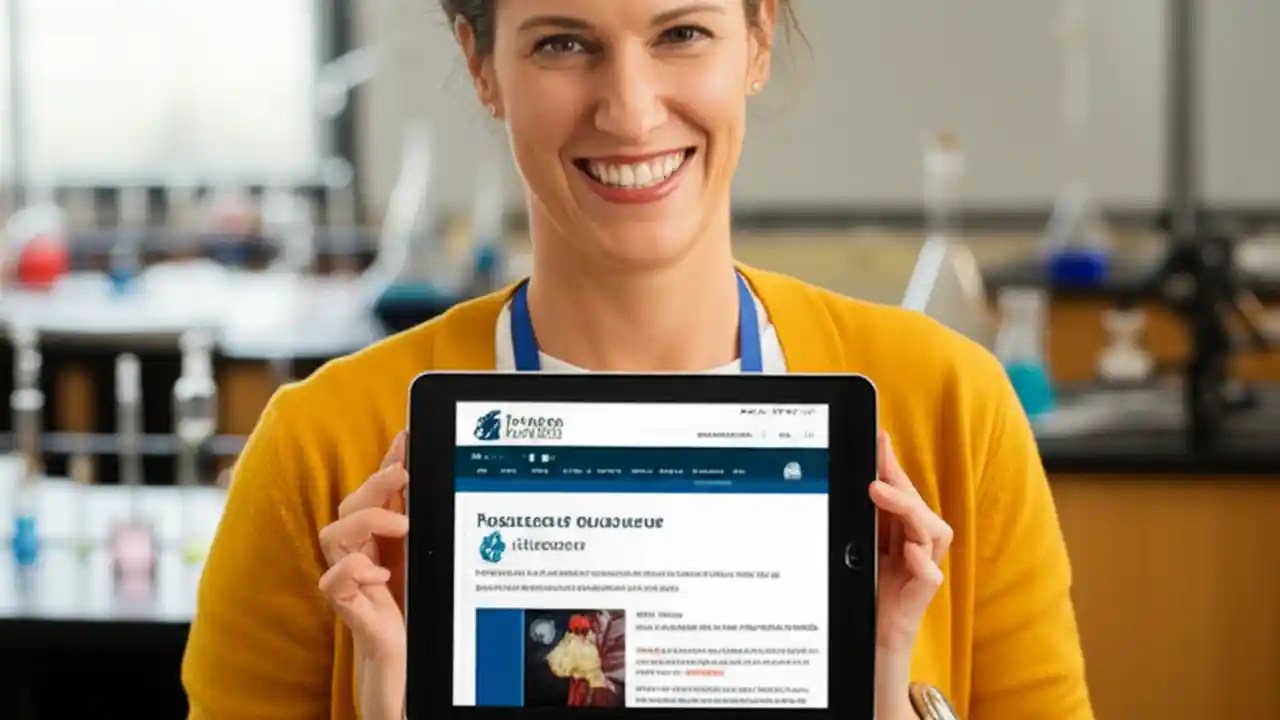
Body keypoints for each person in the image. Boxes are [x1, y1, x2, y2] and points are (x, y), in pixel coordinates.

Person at [180, 2, 1094, 719]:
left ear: (758, 38)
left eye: (683, 33)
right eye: (561, 44)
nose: (629, 108)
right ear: (479, 64)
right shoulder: (320, 448)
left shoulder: (950, 411)